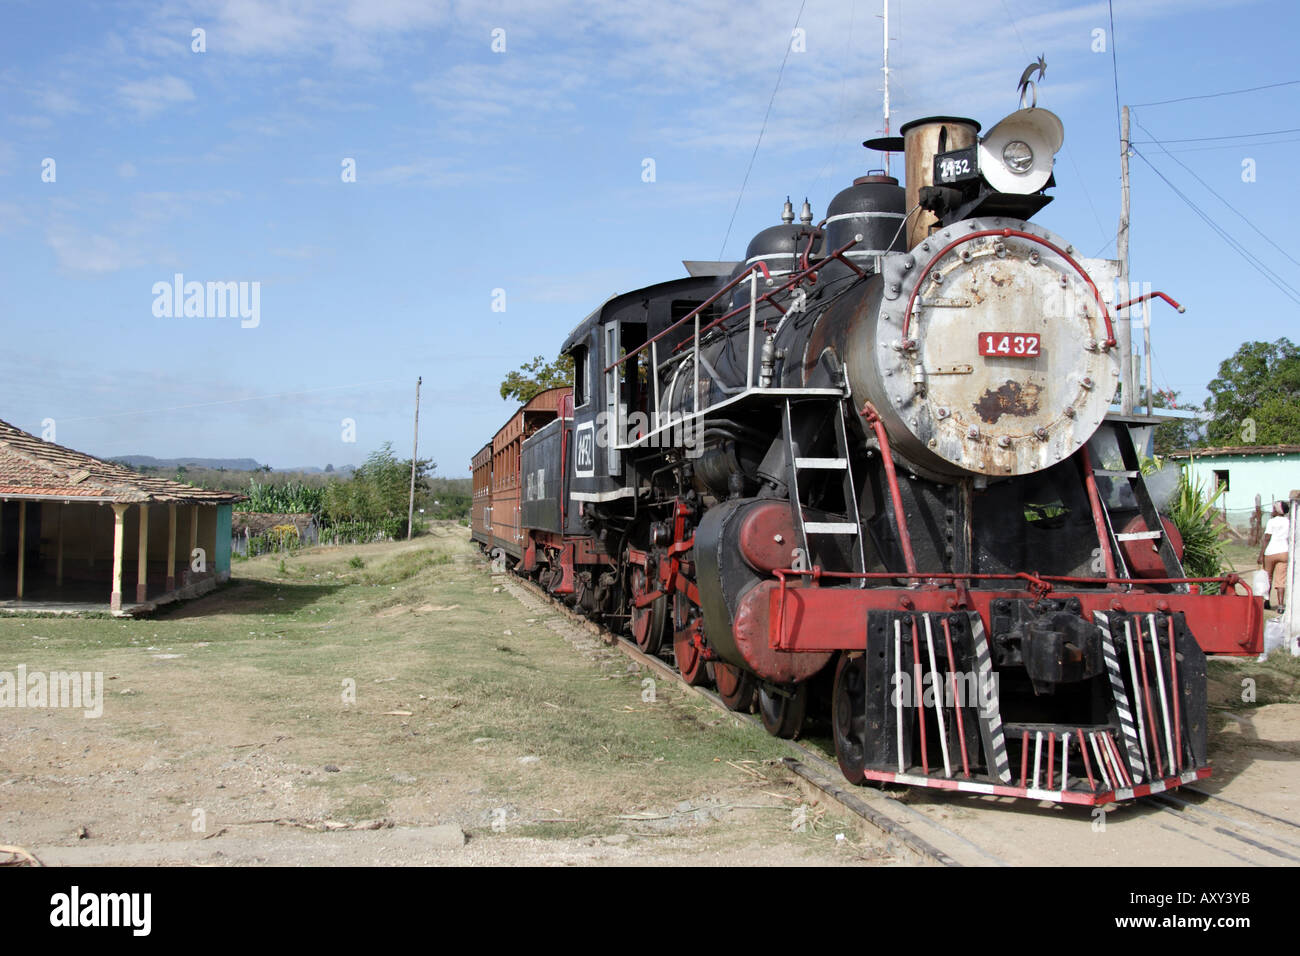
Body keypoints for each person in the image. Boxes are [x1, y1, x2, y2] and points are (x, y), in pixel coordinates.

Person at [1257, 501, 1291, 612]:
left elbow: (1267, 538)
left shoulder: (1271, 522)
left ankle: (1266, 601)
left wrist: (1261, 554)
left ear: (1278, 510)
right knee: (1281, 580)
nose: (1273, 511)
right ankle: (1281, 605)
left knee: (1268, 578)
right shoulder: (1289, 522)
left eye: (1274, 509)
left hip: (1270, 552)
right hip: (1284, 552)